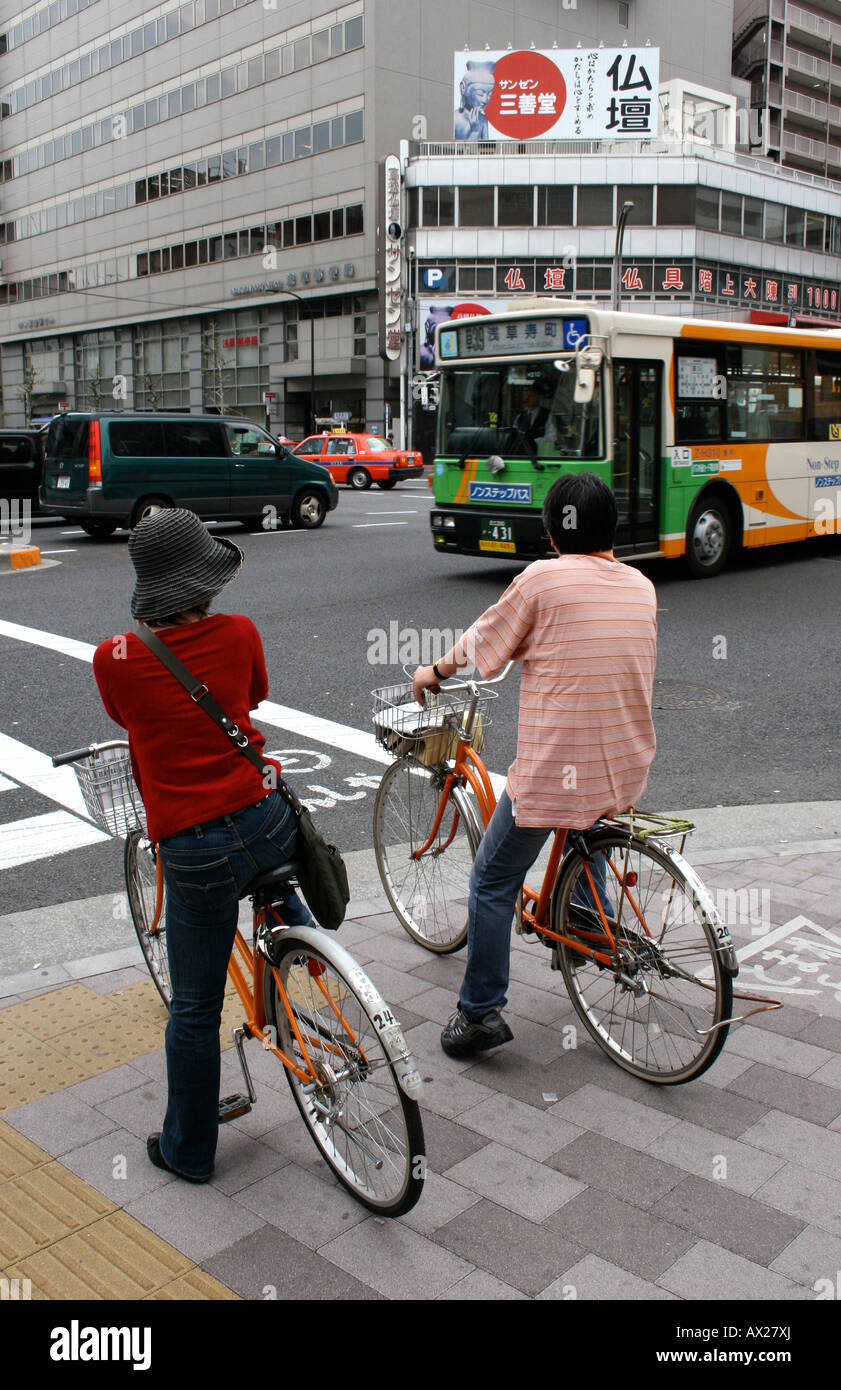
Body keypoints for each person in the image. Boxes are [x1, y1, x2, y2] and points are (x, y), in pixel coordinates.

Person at [93, 508, 313, 1183]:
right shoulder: (240, 632)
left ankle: (188, 1151)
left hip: (193, 848)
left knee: (193, 1009)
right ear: (207, 580)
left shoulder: (116, 659)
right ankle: (306, 939)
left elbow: (126, 719)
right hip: (265, 817)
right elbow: (254, 695)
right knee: (266, 859)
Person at [412, 472, 658, 1059]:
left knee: (492, 882)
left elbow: (484, 642)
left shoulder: (541, 579)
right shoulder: (642, 586)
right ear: (613, 531)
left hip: (554, 775)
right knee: (588, 821)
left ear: (551, 533)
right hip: (623, 764)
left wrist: (434, 674)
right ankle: (584, 919)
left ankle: (479, 1015)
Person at [454, 61, 496, 140]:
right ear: (463, 88)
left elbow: (487, 149)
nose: (485, 99)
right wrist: (475, 131)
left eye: (490, 94)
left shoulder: (483, 119)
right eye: (480, 93)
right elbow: (462, 150)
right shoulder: (455, 118)